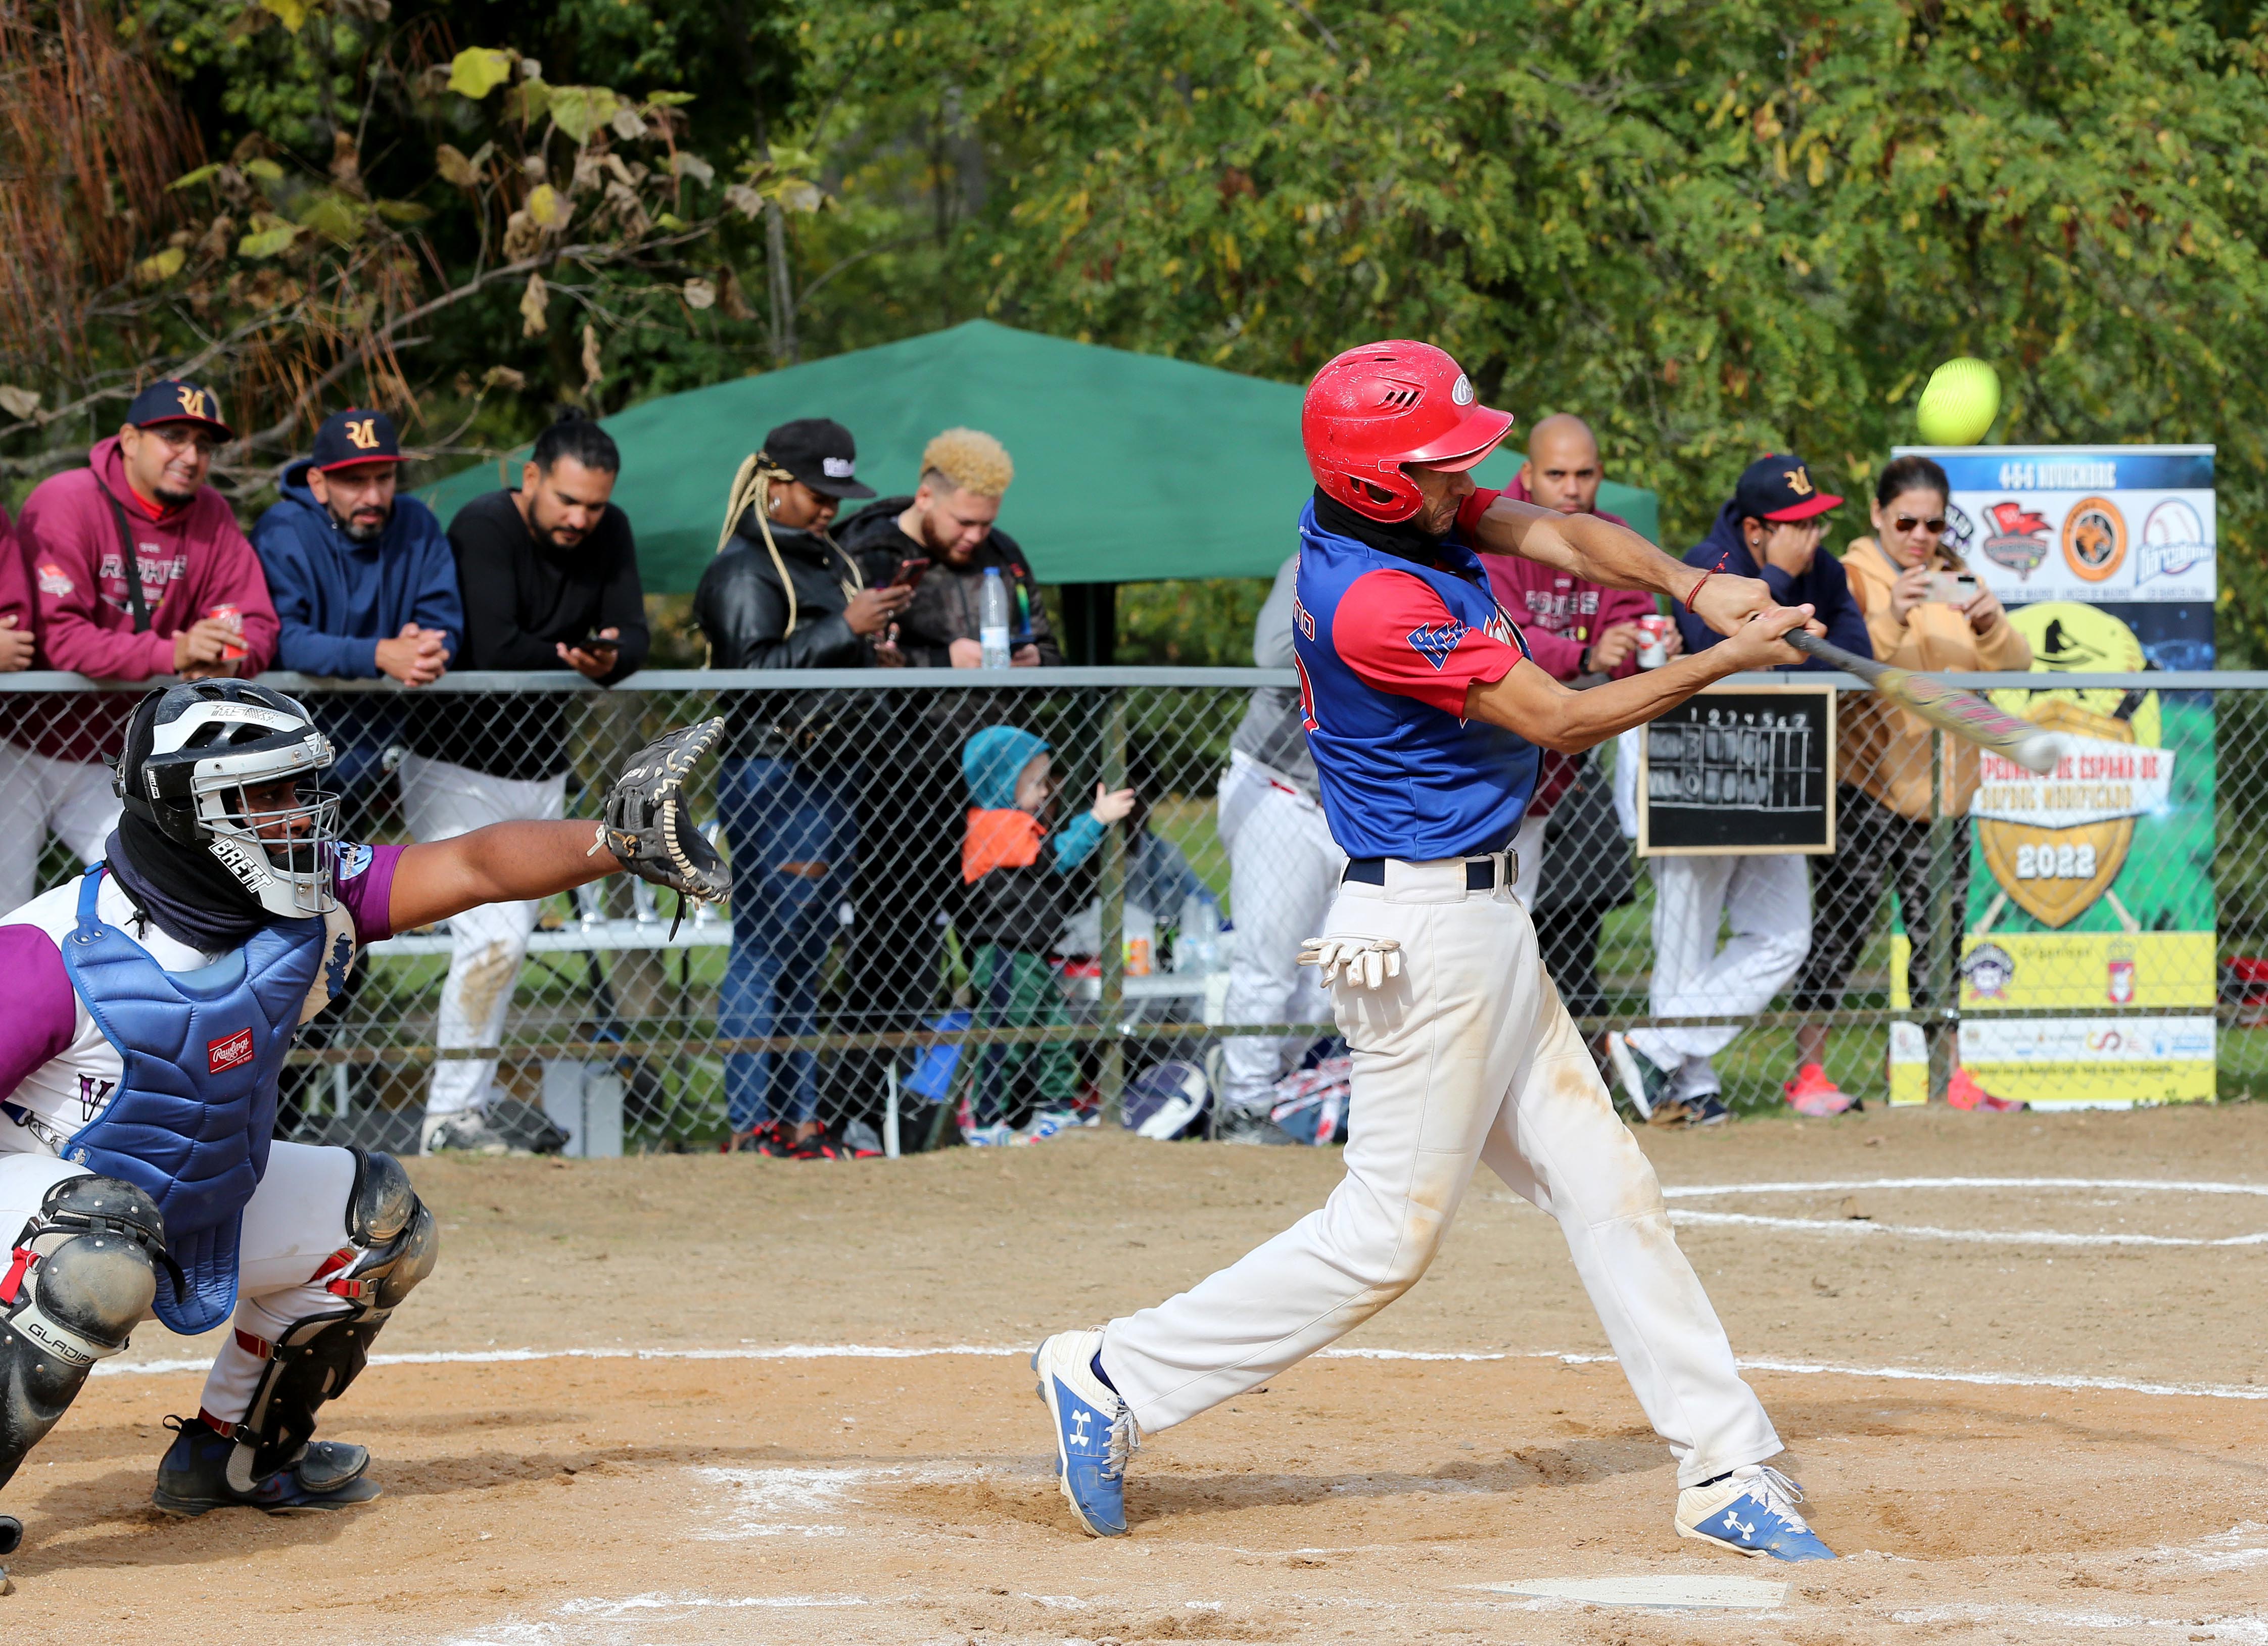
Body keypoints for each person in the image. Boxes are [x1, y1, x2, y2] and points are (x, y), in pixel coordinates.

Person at [1031, 340, 1836, 1564]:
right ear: (1378, 485)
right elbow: (1559, 715)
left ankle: (1723, 1461)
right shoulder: (1374, 599)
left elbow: (1560, 536)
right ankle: (1110, 1373)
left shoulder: (1415, 519)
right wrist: (1722, 657)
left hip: (1488, 921)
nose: (1476, 481)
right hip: (1422, 935)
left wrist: (1692, 582)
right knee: (1385, 1236)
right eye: (1446, 465)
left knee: (1607, 1184)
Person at [0, 680, 721, 1562]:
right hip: (42, 1222)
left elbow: (474, 865)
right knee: (95, 1249)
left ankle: (230, 1458)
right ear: (183, 811)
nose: (296, 816)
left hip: (161, 1210)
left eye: (299, 789)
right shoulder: (48, 953)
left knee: (375, 1222)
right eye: (262, 797)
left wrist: (612, 841)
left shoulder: (302, 902)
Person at [398, 412, 649, 1153]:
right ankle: (451, 1116)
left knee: (505, 942)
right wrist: (581, 653)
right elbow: (494, 641)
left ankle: (465, 1103)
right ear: (531, 478)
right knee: (495, 936)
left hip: (542, 773)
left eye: (594, 506)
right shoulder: (484, 525)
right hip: (455, 766)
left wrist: (603, 656)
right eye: (567, 500)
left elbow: (633, 633)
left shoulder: (612, 530)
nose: (581, 519)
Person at [1605, 453, 1872, 1126]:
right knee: (1685, 933)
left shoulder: (1828, 569)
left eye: (1816, 519)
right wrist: (1778, 581)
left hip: (1782, 773)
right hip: (1700, 768)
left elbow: (1856, 653)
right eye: (1795, 524)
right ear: (1755, 529)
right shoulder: (1709, 558)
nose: (1812, 534)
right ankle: (1688, 1087)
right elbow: (1707, 643)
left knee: (1785, 935)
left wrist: (1789, 633)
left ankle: (1656, 1047)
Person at [1784, 455, 2031, 1115]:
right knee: (1841, 928)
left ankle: (1956, 1076)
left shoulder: (1958, 577)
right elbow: (1850, 662)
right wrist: (1890, 613)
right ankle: (1808, 1072)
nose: (1921, 534)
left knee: (1941, 939)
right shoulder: (1850, 576)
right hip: (1865, 784)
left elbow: (2016, 665)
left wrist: (1988, 623)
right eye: (1907, 521)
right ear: (1878, 514)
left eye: (1933, 521)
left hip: (1946, 796)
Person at [694, 418, 911, 1157]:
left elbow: (821, 656)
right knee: (766, 948)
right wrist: (847, 626)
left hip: (834, 774)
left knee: (807, 951)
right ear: (775, 486)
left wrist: (870, 647)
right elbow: (748, 682)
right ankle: (753, 1126)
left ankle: (801, 1122)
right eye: (819, 494)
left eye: (837, 496)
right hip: (778, 777)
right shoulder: (743, 568)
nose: (829, 509)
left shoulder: (823, 559)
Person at [2, 380, 278, 913]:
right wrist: (173, 655)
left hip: (122, 759)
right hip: (20, 748)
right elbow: (59, 640)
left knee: (164, 906)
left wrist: (229, 653)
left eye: (204, 445)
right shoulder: (66, 499)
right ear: (129, 439)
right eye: (173, 437)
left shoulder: (212, 515)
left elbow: (258, 623)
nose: (191, 456)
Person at [1482, 414, 1676, 1011]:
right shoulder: (1494, 531)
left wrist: (1648, 648)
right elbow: (1504, 638)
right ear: (1527, 475)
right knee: (1481, 932)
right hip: (1482, 769)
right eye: (1557, 474)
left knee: (1516, 925)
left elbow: (1631, 625)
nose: (1571, 488)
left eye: (1585, 474)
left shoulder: (1611, 535)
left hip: (1551, 777)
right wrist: (1587, 653)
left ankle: (1503, 1075)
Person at [252, 407, 463, 829]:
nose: (372, 497)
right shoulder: (284, 528)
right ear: (318, 483)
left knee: (356, 882)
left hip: (384, 746)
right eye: (354, 481)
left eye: (383, 478)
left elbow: (446, 621)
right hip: (288, 749)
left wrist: (428, 646)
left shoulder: (417, 523)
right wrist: (381, 654)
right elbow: (284, 639)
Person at [959, 725, 1132, 1144]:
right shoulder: (997, 824)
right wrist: (1095, 819)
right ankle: (985, 1122)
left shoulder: (1016, 824)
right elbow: (1056, 859)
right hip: (1006, 954)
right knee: (1005, 1035)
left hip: (1032, 952)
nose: (1044, 793)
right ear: (1002, 783)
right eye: (1035, 783)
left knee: (1054, 1029)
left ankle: (1054, 1110)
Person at [1215, 554, 1344, 1119]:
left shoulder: (1426, 576)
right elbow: (1270, 655)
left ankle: (1269, 1085)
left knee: (1333, 976)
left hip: (1345, 802)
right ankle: (1244, 1103)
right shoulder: (1308, 566)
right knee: (1268, 963)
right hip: (1275, 787)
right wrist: (1356, 612)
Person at [837, 427, 1061, 669]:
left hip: (1005, 707)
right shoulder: (870, 555)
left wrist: (1037, 660)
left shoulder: (1003, 554)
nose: (975, 536)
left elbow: (1048, 648)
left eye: (987, 524)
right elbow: (849, 656)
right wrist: (943, 662)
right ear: (924, 497)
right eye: (964, 522)